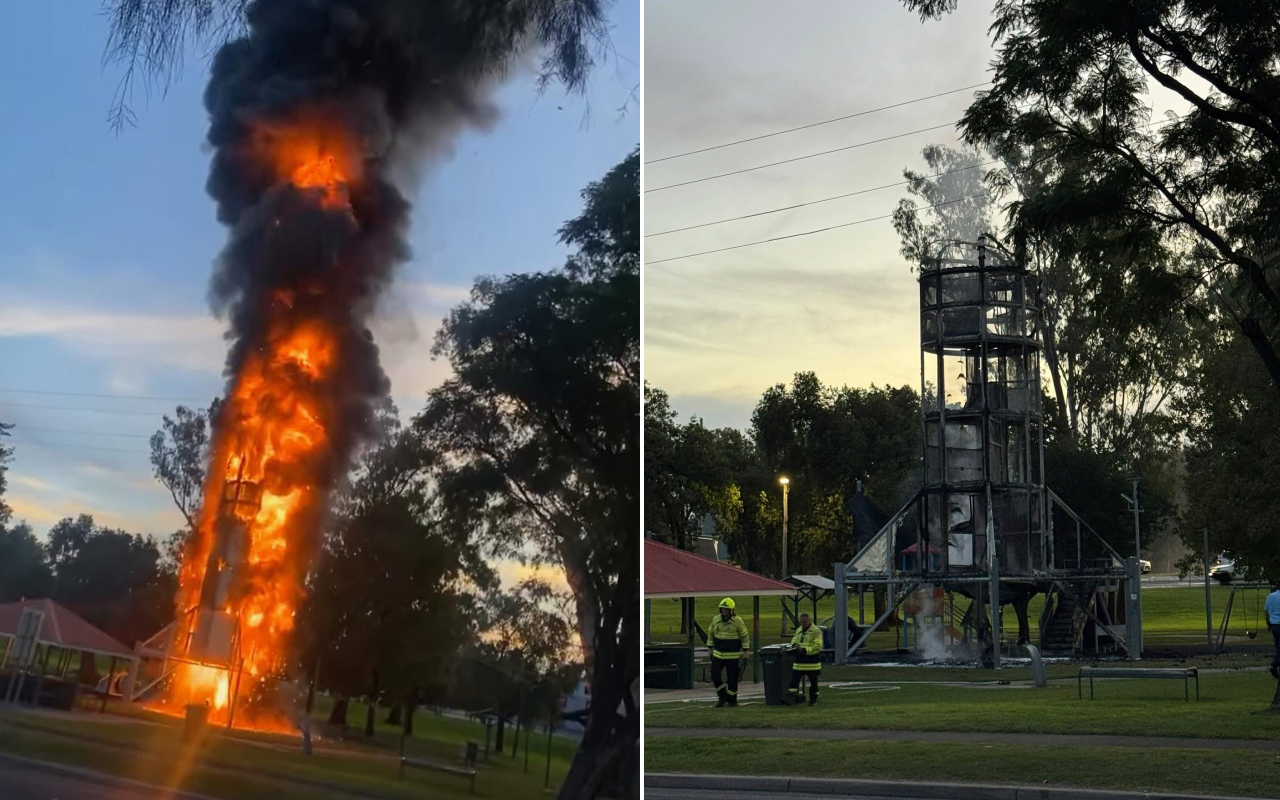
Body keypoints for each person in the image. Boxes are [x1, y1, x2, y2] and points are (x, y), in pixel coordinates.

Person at [708, 597, 750, 707]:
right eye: (722, 609)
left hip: (732, 656)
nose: (724, 611)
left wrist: (746, 650)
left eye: (726, 609)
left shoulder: (738, 621)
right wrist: (710, 647)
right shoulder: (715, 619)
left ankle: (732, 700)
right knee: (715, 675)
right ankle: (722, 696)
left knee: (732, 678)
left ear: (731, 610)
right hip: (718, 655)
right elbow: (711, 633)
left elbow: (744, 635)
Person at [787, 612, 823, 705]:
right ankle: (793, 699)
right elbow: (794, 640)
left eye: (805, 622)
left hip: (812, 663)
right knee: (793, 683)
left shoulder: (816, 631)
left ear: (809, 621)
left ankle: (813, 700)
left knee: (813, 683)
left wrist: (804, 650)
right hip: (799, 663)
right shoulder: (799, 630)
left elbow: (817, 646)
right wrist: (794, 645)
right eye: (802, 622)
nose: (803, 624)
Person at [1266, 582, 1280, 679]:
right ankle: (1274, 664)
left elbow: (1266, 611)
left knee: (1278, 645)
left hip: (1274, 624)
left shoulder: (1270, 597)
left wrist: (1269, 624)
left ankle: (1275, 664)